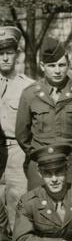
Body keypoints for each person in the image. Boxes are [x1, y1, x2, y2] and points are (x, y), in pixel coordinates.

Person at [15, 37, 72, 189]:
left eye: (62, 65)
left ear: (68, 65)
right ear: (42, 66)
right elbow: (22, 134)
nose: (58, 70)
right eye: (52, 66)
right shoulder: (30, 94)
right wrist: (39, 155)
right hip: (41, 167)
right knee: (40, 210)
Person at [1, 26, 34, 220]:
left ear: (17, 55)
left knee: (18, 204)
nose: (5, 58)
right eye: (1, 53)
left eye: (9, 53)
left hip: (17, 153)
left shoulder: (28, 86)